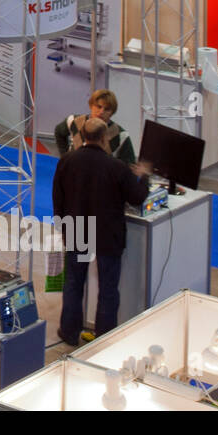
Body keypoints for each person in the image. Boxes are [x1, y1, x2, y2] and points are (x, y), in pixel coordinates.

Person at [52, 118, 149, 346]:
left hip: (77, 230)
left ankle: (69, 332)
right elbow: (137, 197)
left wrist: (63, 228)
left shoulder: (67, 160)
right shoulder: (117, 167)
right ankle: (103, 339)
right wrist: (145, 176)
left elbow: (58, 197)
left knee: (73, 283)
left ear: (83, 136)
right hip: (107, 234)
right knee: (107, 289)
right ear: (105, 138)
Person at [54, 89, 139, 168]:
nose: (101, 112)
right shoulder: (74, 121)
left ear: (112, 112)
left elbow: (129, 165)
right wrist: (64, 156)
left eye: (107, 109)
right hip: (73, 172)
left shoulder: (120, 135)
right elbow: (58, 132)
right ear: (91, 106)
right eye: (98, 106)